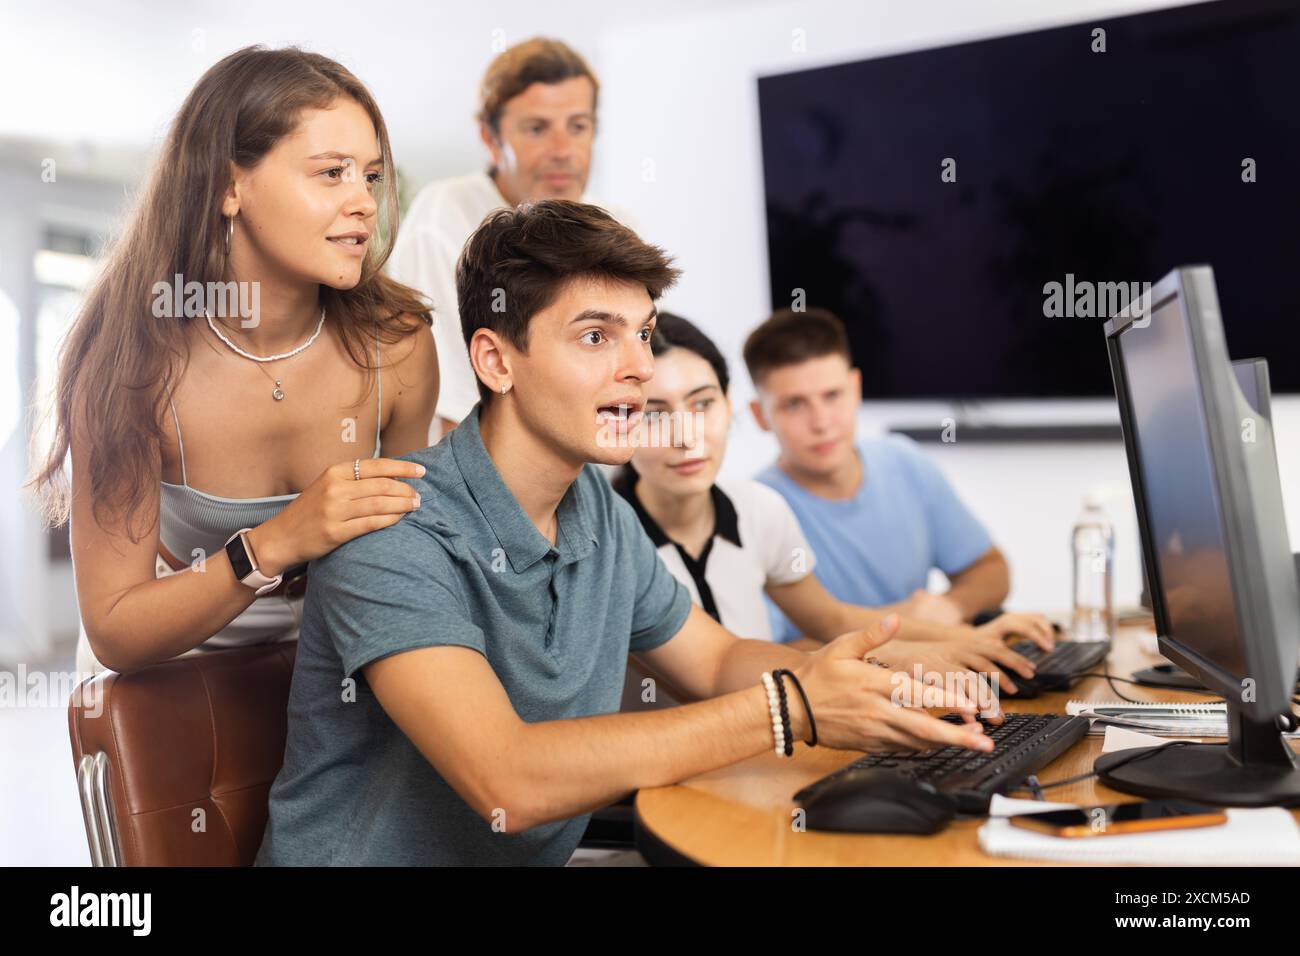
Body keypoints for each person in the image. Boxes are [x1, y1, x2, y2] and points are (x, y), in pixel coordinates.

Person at [256, 200, 996, 867]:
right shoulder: (392, 527)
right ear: (495, 360)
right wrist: (790, 707)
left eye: (641, 335)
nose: (639, 367)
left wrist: (884, 687)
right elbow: (504, 777)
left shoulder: (599, 510)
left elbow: (715, 660)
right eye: (594, 337)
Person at [27, 46, 438, 675]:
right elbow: (115, 628)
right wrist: (276, 543)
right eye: (332, 173)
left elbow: (408, 555)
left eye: (372, 176)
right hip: (169, 689)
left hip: (332, 676)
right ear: (229, 187)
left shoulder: (400, 345)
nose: (364, 202)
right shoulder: (130, 367)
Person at [613, 312, 1051, 707]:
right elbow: (746, 665)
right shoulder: (608, 539)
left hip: (764, 752)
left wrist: (962, 639)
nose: (687, 436)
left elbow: (833, 621)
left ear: (728, 408)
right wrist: (899, 663)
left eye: (702, 403)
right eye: (655, 414)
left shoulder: (759, 508)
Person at [388, 37, 622, 437]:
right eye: (537, 128)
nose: (563, 150)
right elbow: (455, 408)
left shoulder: (619, 226)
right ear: (490, 138)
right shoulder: (443, 218)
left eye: (578, 126)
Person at [744, 308, 1017, 644]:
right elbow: (772, 652)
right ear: (760, 415)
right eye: (795, 405)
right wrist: (907, 623)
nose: (821, 422)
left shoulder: (904, 462)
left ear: (855, 387)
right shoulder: (755, 509)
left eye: (832, 396)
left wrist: (950, 607)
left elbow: (991, 569)